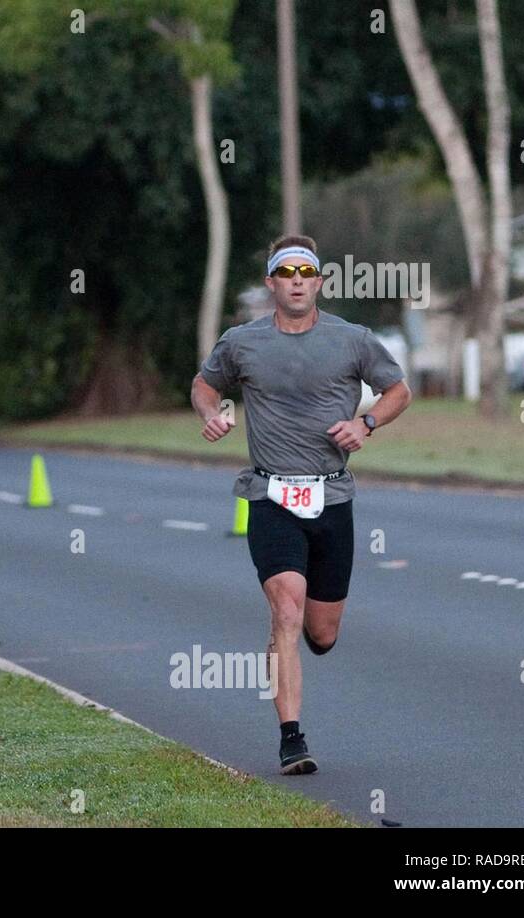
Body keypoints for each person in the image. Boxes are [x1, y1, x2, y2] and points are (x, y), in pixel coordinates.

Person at [192, 234, 412, 775]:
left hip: (332, 494)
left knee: (322, 631)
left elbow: (398, 390)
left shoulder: (353, 339)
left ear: (318, 281)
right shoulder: (242, 342)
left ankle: (308, 638)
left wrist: (366, 423)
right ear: (271, 282)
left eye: (304, 272)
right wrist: (213, 410)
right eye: (284, 272)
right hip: (270, 494)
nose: (295, 281)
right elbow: (203, 383)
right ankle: (292, 738)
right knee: (285, 608)